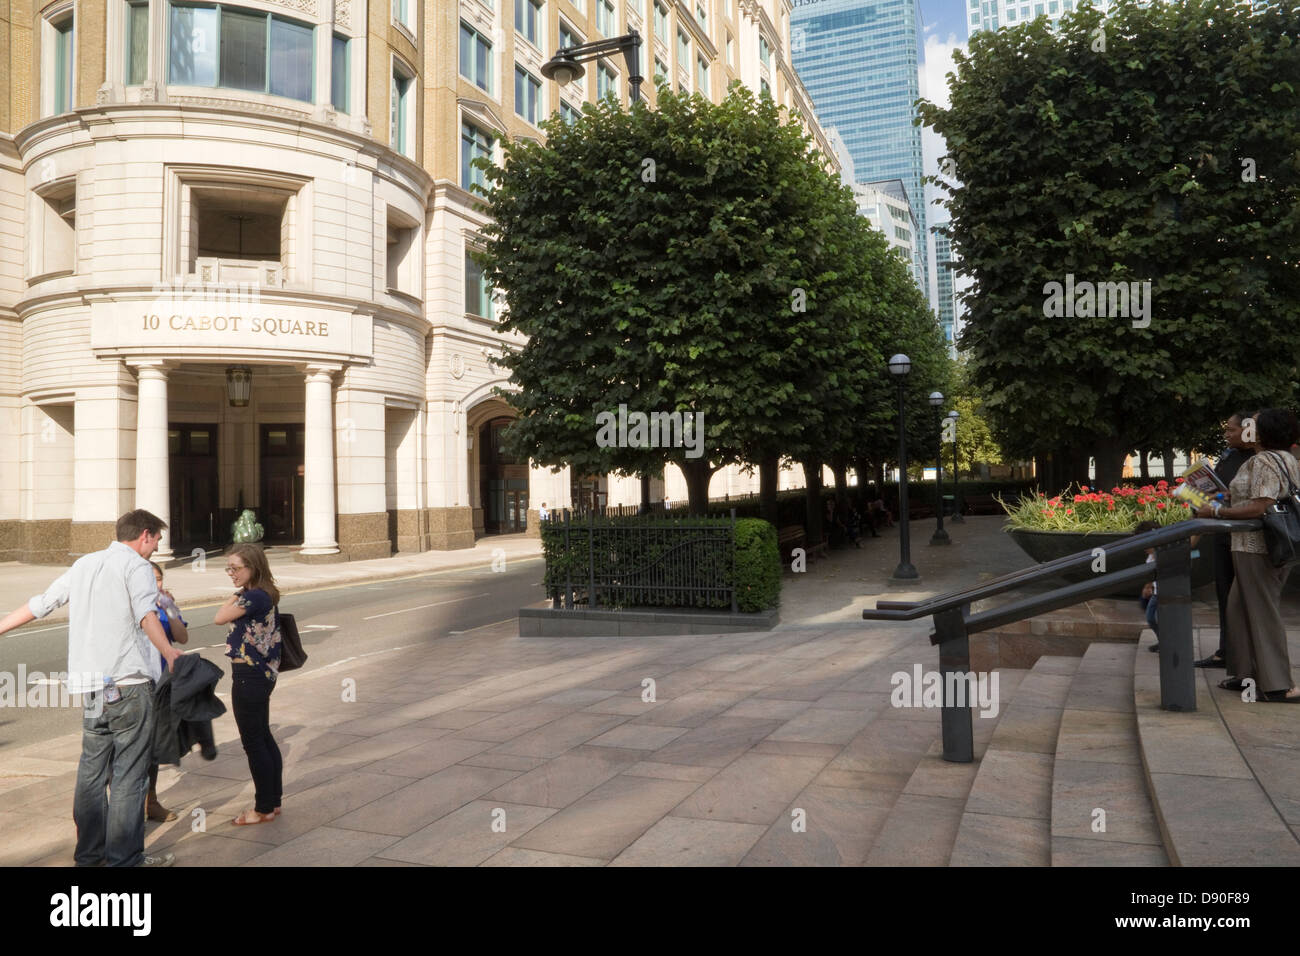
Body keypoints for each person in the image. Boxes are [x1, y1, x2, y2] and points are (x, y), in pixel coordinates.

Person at [0, 510, 180, 867]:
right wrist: (169, 652)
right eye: (157, 539)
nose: (157, 547)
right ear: (144, 534)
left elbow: (42, 604)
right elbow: (146, 614)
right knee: (130, 776)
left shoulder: (85, 564)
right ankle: (125, 860)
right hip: (128, 684)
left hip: (93, 689)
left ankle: (89, 856)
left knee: (92, 773)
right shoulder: (138, 568)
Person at [1195, 408, 1300, 702]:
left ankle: (1279, 685)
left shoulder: (1265, 461)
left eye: (1253, 424)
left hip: (1257, 548)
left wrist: (1216, 511)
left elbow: (1260, 506)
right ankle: (1246, 677)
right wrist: (1230, 496)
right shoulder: (1283, 458)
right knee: (1238, 609)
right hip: (1250, 547)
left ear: (1260, 433)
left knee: (1262, 613)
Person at [217, 543, 285, 824]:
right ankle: (273, 801)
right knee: (264, 737)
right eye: (228, 568)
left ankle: (262, 808)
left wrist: (236, 594)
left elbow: (219, 617)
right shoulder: (264, 593)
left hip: (248, 676)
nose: (231, 573)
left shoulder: (253, 597)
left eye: (236, 568)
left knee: (253, 742)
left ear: (253, 567)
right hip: (262, 675)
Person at [145, 563, 217, 823]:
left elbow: (183, 637)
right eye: (151, 579)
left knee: (154, 741)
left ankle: (150, 801)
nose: (157, 585)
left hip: (163, 680)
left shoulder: (166, 604)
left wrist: (170, 609)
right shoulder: (131, 601)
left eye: (160, 579)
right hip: (137, 680)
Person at [1195, 412, 1256, 668]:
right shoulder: (1228, 455)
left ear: (1248, 430)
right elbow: (1220, 491)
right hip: (1222, 531)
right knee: (1224, 592)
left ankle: (1246, 659)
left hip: (1245, 538)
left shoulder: (1259, 460)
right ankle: (1225, 650)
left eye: (1231, 430)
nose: (1226, 434)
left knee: (1242, 599)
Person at [1133, 520, 1160, 651]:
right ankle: (1163, 640)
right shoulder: (1151, 556)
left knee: (1159, 618)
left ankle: (1168, 641)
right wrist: (1148, 586)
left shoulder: (1162, 552)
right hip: (1156, 593)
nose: (1143, 547)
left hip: (1166, 593)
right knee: (1151, 617)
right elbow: (1150, 573)